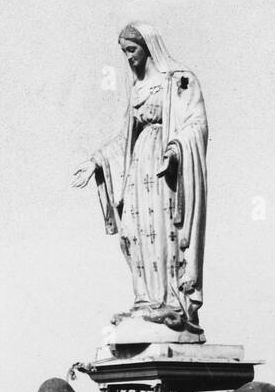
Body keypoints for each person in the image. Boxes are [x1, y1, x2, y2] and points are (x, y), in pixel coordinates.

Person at [73, 22, 209, 330]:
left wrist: (175, 150)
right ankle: (145, 299)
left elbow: (196, 123)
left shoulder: (179, 80)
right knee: (134, 232)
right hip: (138, 168)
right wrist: (96, 161)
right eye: (124, 52)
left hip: (166, 168)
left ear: (148, 47)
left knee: (163, 231)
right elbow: (125, 138)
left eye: (132, 50)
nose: (129, 58)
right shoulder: (137, 88)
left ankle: (172, 302)